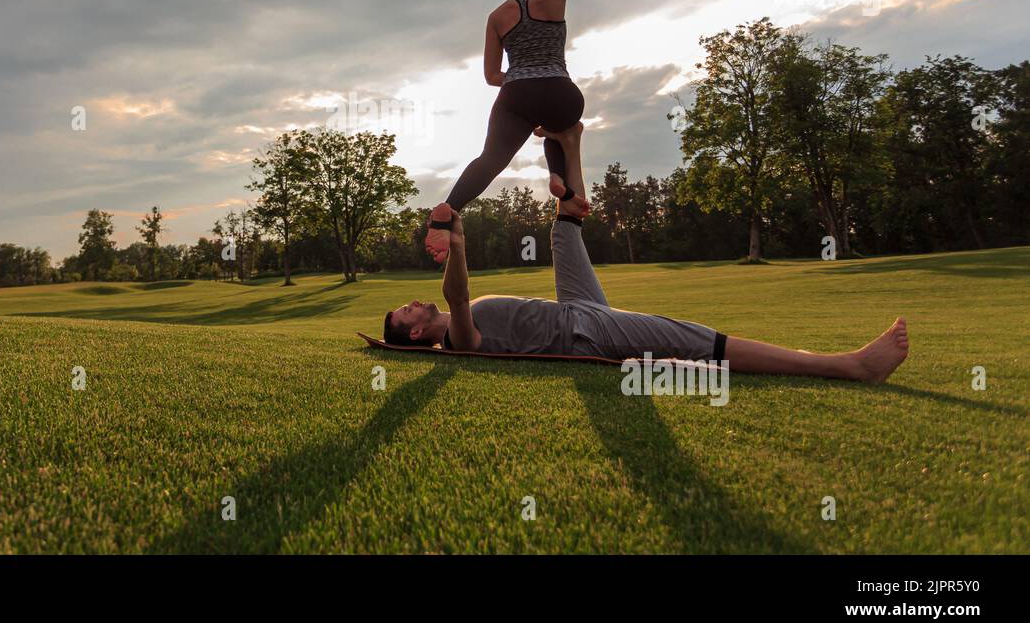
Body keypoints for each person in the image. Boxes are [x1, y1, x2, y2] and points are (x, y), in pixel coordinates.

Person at [386, 207, 910, 383]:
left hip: (577, 307)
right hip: (583, 331)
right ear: (414, 331)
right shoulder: (456, 340)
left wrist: (567, 142)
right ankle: (850, 367)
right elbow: (457, 296)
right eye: (408, 310)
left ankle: (570, 144)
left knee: (565, 228)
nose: (416, 304)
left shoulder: (457, 329)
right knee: (696, 340)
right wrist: (457, 245)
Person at [424, 0, 616, 264]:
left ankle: (449, 208)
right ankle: (561, 181)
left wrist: (519, 79)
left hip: (516, 94)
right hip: (561, 92)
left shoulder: (498, 16)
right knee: (567, 127)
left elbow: (492, 76)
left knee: (491, 158)